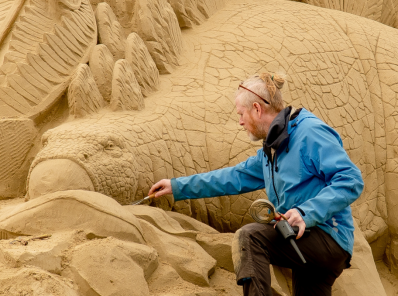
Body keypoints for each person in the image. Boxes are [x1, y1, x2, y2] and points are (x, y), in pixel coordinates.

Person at [146, 72, 364, 296]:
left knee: (250, 237)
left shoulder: (310, 133)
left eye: (241, 113)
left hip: (328, 236)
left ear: (257, 109)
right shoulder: (271, 151)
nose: (240, 121)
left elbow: (351, 180)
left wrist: (305, 212)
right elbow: (230, 178)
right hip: (303, 241)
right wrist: (176, 186)